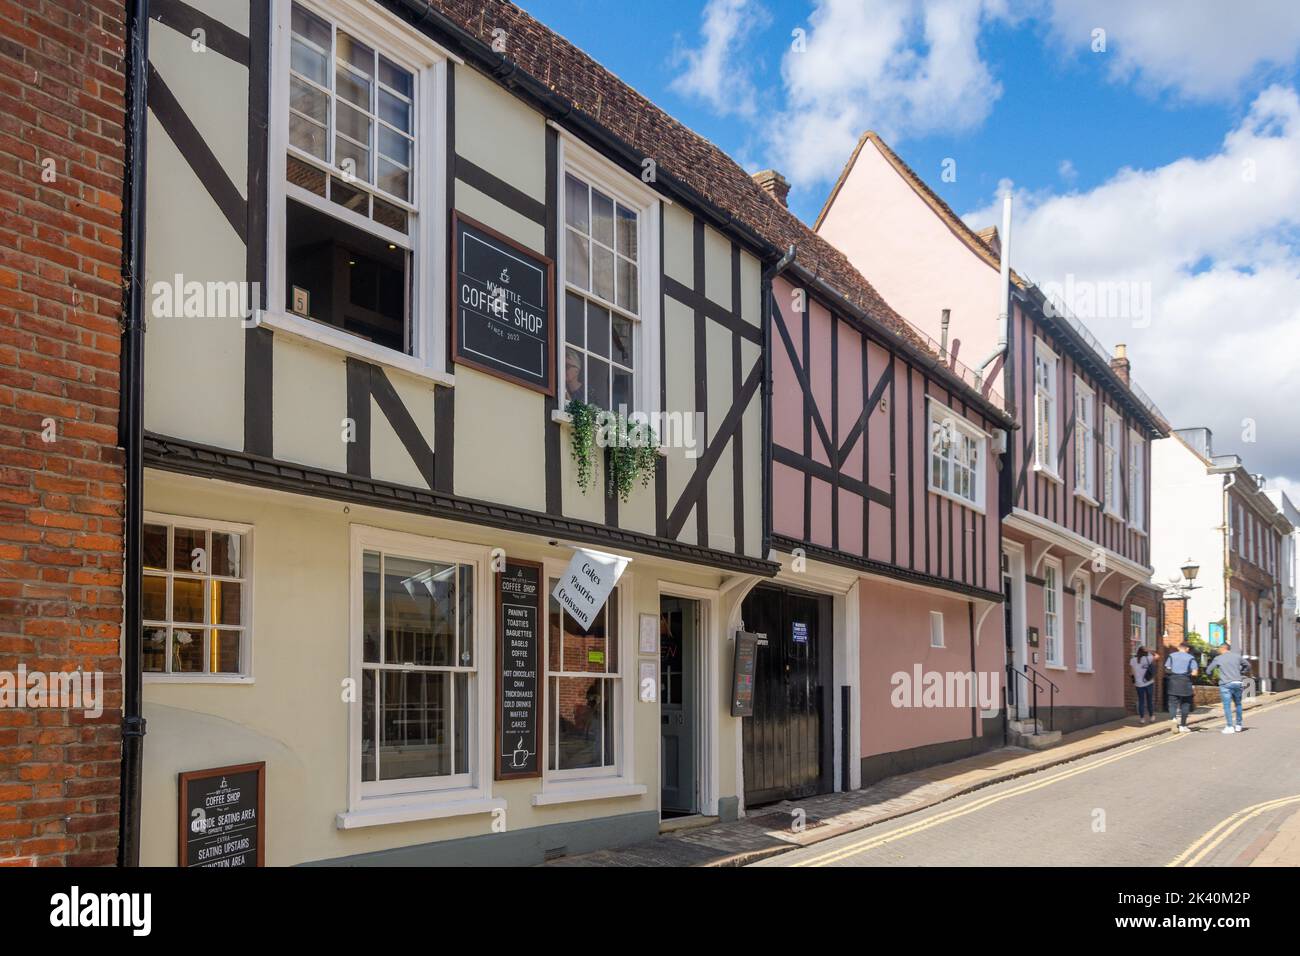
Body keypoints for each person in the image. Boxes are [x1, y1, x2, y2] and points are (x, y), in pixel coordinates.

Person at [1205, 642, 1251, 734]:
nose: (1218, 650)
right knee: (1238, 704)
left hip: (1225, 684)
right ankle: (1238, 725)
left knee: (1227, 706)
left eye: (1219, 648)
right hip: (1237, 682)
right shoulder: (1237, 656)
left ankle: (1230, 726)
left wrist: (1211, 677)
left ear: (1222, 648)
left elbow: (1208, 670)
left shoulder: (1218, 658)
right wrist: (1242, 671)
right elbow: (1248, 665)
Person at [1164, 641, 1199, 733]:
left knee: (1172, 703)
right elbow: (1195, 673)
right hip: (1185, 682)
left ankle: (1174, 719)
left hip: (1173, 681)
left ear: (1179, 648)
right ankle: (1183, 725)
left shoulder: (1171, 656)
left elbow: (1167, 668)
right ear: (1187, 649)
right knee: (1185, 704)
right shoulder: (1191, 658)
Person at [1129, 646, 1157, 723]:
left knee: (1141, 701)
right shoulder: (1149, 658)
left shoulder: (1133, 660)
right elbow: (1157, 656)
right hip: (1149, 682)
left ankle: (1142, 719)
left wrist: (1135, 680)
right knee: (1149, 700)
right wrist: (1150, 650)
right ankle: (1151, 717)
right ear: (1145, 652)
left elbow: (1131, 672)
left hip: (1138, 684)